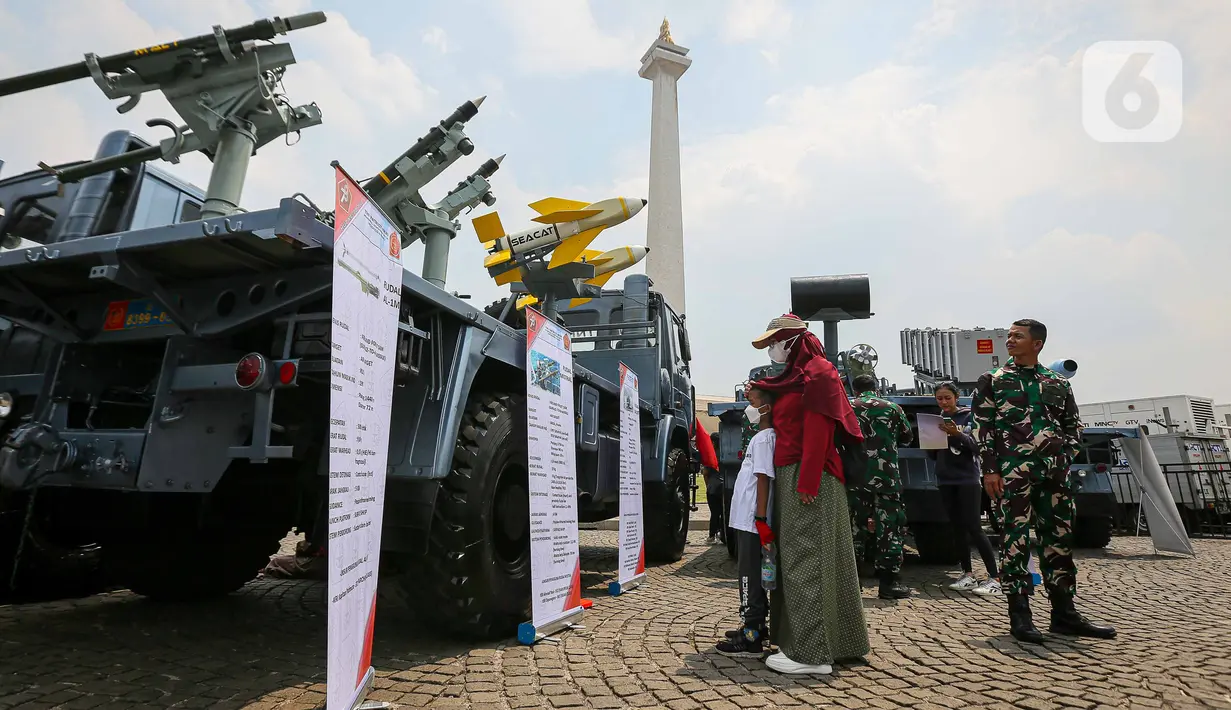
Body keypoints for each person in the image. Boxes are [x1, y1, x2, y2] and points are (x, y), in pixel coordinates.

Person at [971, 319, 1117, 644]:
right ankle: (1020, 616)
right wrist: (990, 469)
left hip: (1054, 474)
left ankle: (1064, 614)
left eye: (1017, 336)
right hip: (1013, 474)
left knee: (1059, 540)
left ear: (1037, 344)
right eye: (1009, 335)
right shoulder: (992, 380)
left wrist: (1064, 457)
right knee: (1015, 540)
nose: (1009, 340)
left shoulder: (1057, 383)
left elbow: (1073, 426)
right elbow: (982, 427)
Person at [748, 314, 870, 675]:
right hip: (797, 471)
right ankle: (841, 642)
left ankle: (810, 654)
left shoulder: (818, 371)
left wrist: (808, 481)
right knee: (823, 558)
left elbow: (819, 429)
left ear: (790, 341)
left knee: (806, 557)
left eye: (773, 341)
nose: (770, 349)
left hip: (807, 472)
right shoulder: (795, 377)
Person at [714, 386, 777, 657]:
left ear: (767, 408)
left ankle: (751, 634)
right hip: (748, 520)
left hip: (752, 521)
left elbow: (763, 478)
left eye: (753, 402)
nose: (748, 407)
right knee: (752, 574)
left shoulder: (764, 439)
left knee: (749, 577)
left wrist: (761, 518)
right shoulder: (762, 437)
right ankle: (757, 625)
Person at [932, 381, 1001, 595]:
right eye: (940, 398)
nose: (943, 402)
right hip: (945, 478)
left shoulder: (969, 417)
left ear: (956, 397)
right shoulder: (935, 420)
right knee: (957, 528)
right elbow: (931, 453)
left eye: (947, 398)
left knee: (974, 527)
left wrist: (956, 434)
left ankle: (994, 577)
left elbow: (977, 446)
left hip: (967, 479)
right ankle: (968, 574)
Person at [848, 374, 914, 600]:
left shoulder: (847, 407)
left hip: (856, 478)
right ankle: (889, 584)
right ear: (876, 388)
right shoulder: (893, 408)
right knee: (890, 529)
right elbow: (907, 437)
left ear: (855, 389)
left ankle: (852, 585)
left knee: (854, 529)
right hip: (887, 478)